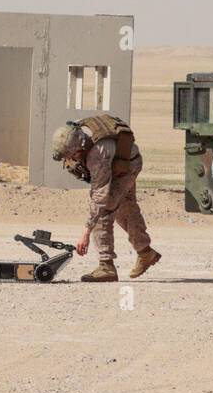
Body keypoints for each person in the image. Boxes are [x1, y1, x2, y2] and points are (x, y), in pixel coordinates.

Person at [50, 115, 161, 283]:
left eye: (72, 156)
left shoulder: (97, 154)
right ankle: (146, 253)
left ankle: (106, 266)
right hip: (125, 161)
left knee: (104, 211)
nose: (71, 160)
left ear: (79, 148)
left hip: (127, 167)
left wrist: (86, 232)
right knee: (126, 208)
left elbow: (100, 196)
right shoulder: (78, 133)